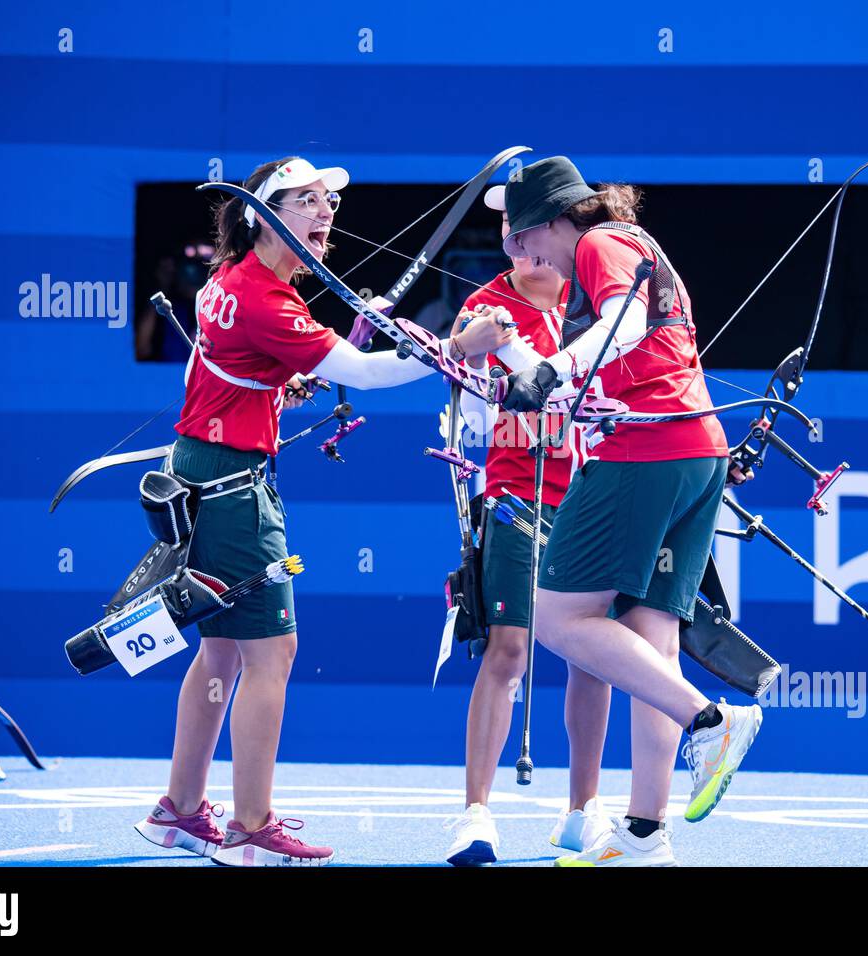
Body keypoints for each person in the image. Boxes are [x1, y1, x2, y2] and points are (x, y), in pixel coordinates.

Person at [132, 156, 512, 866]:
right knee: (271, 651)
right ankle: (248, 828)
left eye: (328, 201)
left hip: (199, 471)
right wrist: (459, 347)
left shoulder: (233, 283)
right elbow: (366, 373)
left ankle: (179, 809)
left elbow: (218, 369)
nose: (325, 212)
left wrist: (275, 386)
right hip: (232, 488)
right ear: (263, 215)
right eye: (306, 201)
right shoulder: (266, 300)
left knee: (220, 650)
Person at [499, 156, 763, 867]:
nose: (521, 254)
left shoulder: (599, 243)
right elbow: (607, 360)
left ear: (556, 218)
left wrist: (553, 369)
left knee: (558, 617)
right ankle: (646, 831)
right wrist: (525, 364)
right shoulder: (632, 244)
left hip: (644, 453)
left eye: (522, 237)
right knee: (652, 642)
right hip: (696, 450)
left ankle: (711, 720)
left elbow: (627, 321)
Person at [443, 185, 612, 865]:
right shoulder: (487, 304)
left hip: (596, 496)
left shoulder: (602, 298)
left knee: (593, 654)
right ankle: (475, 815)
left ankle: (582, 811)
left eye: (523, 220)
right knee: (508, 650)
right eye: (505, 221)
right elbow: (456, 369)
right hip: (518, 495)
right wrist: (469, 348)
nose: (513, 232)